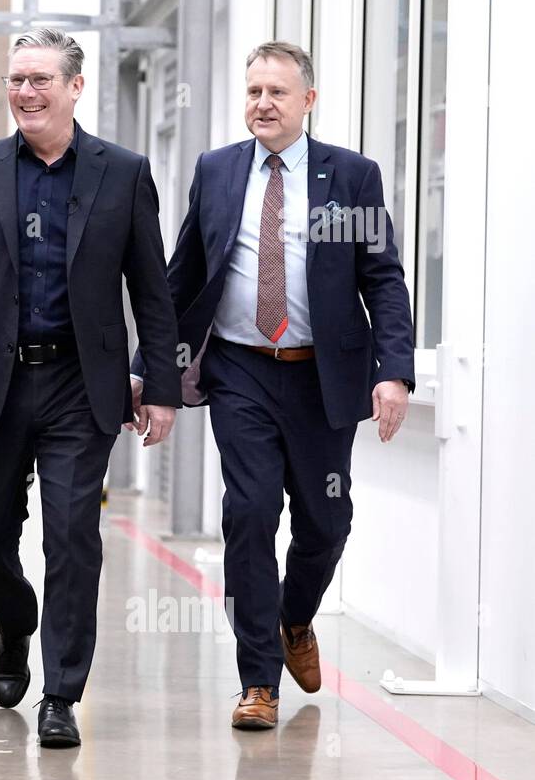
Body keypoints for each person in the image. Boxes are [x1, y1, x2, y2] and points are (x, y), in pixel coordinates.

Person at [131, 42, 415, 730]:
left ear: (307, 101)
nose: (262, 103)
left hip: (323, 377)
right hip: (241, 372)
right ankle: (257, 682)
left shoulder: (352, 177)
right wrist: (151, 366)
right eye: (253, 90)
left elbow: (382, 277)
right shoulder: (218, 170)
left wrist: (395, 371)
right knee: (250, 512)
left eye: (277, 93)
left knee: (326, 521)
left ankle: (296, 619)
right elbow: (182, 274)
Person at [0, 28, 181, 748]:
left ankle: (61, 692)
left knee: (73, 536)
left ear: (76, 87)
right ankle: (14, 625)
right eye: (15, 80)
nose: (25, 93)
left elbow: (152, 291)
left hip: (82, 384)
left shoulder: (123, 174)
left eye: (40, 80)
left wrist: (159, 385)